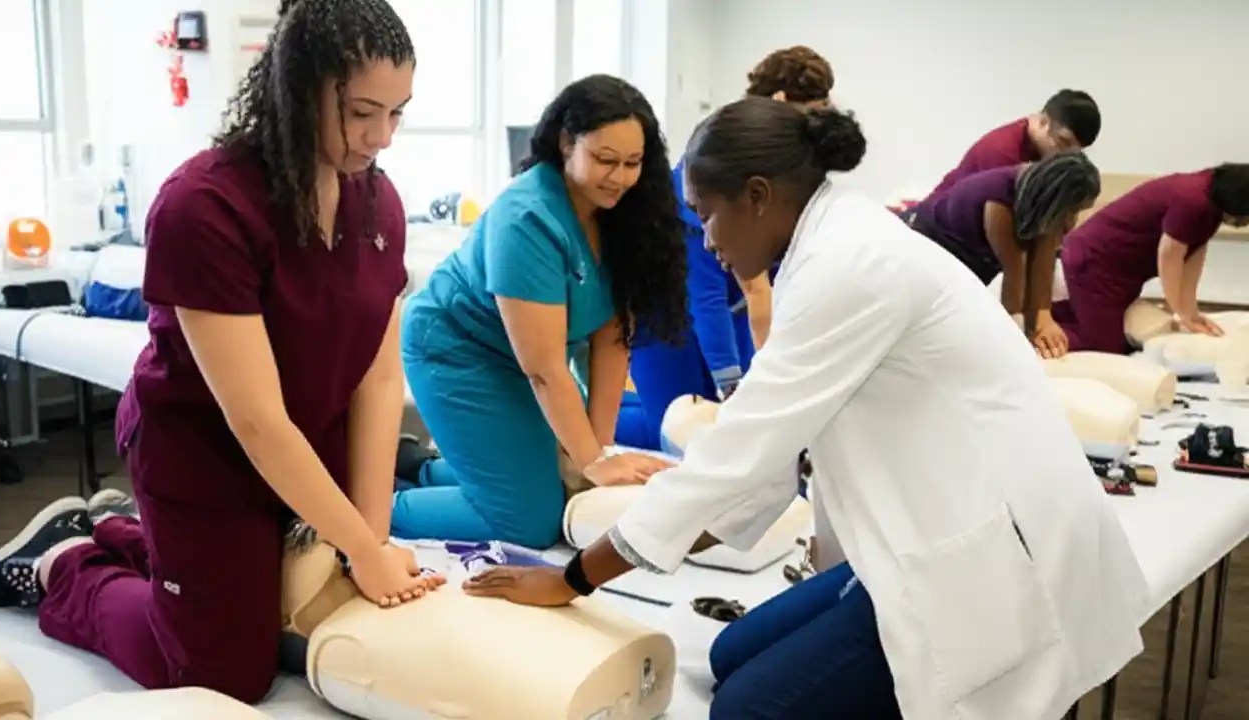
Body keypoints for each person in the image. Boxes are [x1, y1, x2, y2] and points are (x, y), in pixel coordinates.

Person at [463, 97, 1148, 720]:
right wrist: (663, 533)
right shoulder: (830, 243)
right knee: (731, 658)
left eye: (706, 213)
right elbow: (759, 468)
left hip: (1000, 558)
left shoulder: (847, 266)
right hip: (951, 528)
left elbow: (735, 460)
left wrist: (576, 577)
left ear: (757, 197)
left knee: (746, 710)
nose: (705, 237)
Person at [0, 0, 445, 704]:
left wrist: (365, 542)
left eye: (398, 113)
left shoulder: (379, 203)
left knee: (324, 611)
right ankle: (65, 563)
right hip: (206, 455)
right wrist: (364, 551)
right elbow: (253, 419)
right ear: (297, 87)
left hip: (305, 447)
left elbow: (377, 382)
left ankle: (123, 534)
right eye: (360, 112)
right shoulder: (205, 205)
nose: (381, 138)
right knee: (219, 674)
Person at [394, 74, 686, 549]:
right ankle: (363, 509)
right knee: (528, 521)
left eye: (633, 163)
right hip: (458, 350)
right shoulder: (526, 217)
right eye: (605, 160)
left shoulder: (624, 214)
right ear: (566, 143)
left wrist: (597, 455)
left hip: (525, 360)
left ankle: (416, 466)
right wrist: (592, 461)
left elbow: (612, 341)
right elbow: (546, 369)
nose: (620, 177)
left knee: (561, 481)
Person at [617, 46, 834, 451]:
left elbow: (763, 279)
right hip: (668, 314)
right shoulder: (721, 154)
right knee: (674, 434)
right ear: (781, 103)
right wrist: (732, 384)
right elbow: (707, 293)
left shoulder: (777, 165)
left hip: (726, 308)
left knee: (722, 429)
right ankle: (566, 421)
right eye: (810, 115)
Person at [907, 153, 1101, 358]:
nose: (1072, 222)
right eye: (1071, 211)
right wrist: (1018, 338)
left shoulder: (1044, 201)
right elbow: (1015, 274)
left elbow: (1044, 260)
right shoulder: (1000, 202)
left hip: (976, 257)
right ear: (1053, 200)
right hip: (933, 244)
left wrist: (1043, 317)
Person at [1054, 164, 1249, 353]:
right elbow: (1169, 257)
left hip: (1117, 270)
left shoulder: (1210, 203)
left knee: (1113, 333)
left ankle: (1048, 318)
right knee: (1103, 346)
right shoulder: (1193, 201)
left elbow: (1193, 255)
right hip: (1096, 262)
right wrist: (1179, 313)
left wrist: (1191, 313)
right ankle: (1037, 336)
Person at [925, 89, 1100, 202]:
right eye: (1063, 142)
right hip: (942, 231)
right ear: (1043, 122)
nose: (1066, 156)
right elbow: (997, 222)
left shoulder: (1044, 153)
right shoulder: (1003, 152)